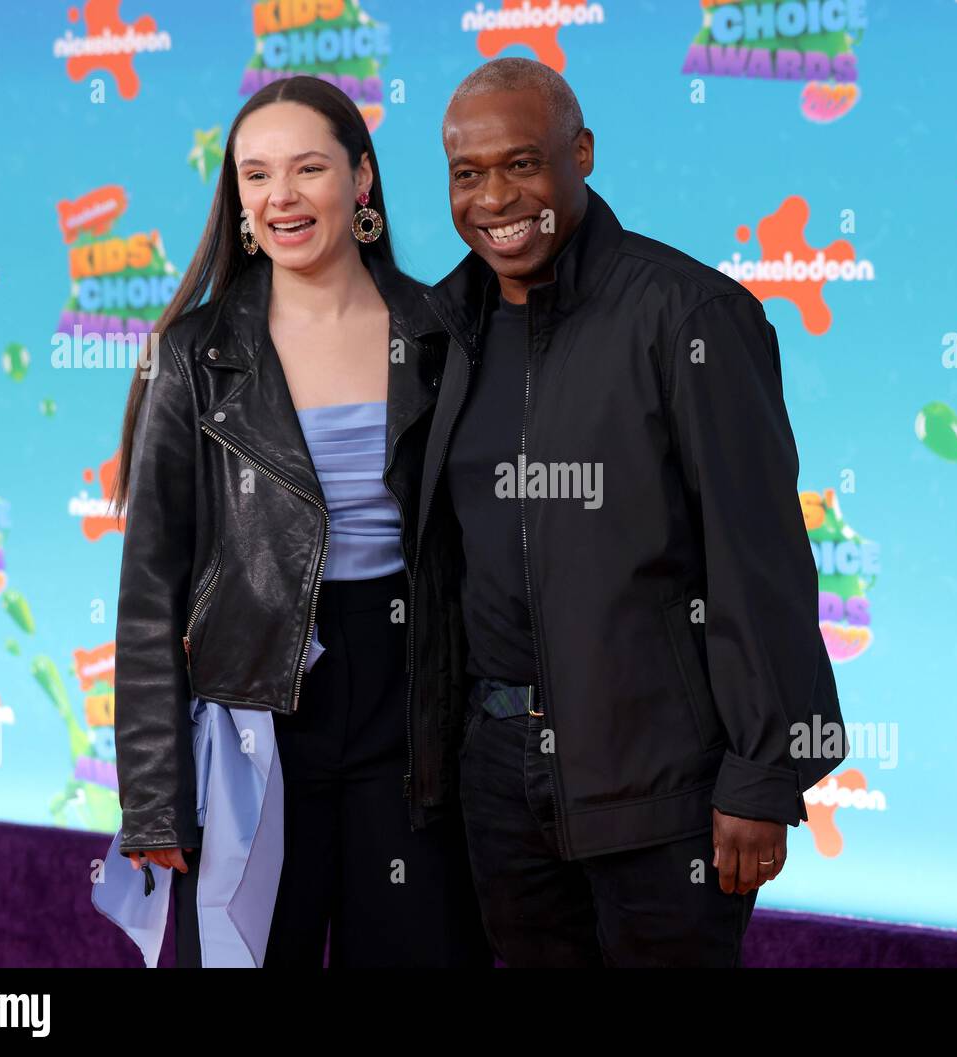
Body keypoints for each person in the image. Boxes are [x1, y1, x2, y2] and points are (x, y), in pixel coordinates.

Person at [409, 57, 850, 968]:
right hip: (497, 777)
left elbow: (757, 559)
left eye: (523, 164)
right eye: (468, 172)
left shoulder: (690, 314)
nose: (495, 196)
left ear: (582, 154)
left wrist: (764, 777)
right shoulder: (445, 325)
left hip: (660, 785)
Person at [92, 75, 489, 968]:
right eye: (256, 175)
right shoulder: (195, 354)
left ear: (362, 181)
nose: (281, 197)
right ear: (236, 198)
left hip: (414, 705)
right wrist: (154, 800)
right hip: (255, 720)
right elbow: (149, 588)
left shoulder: (444, 329)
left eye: (308, 168)